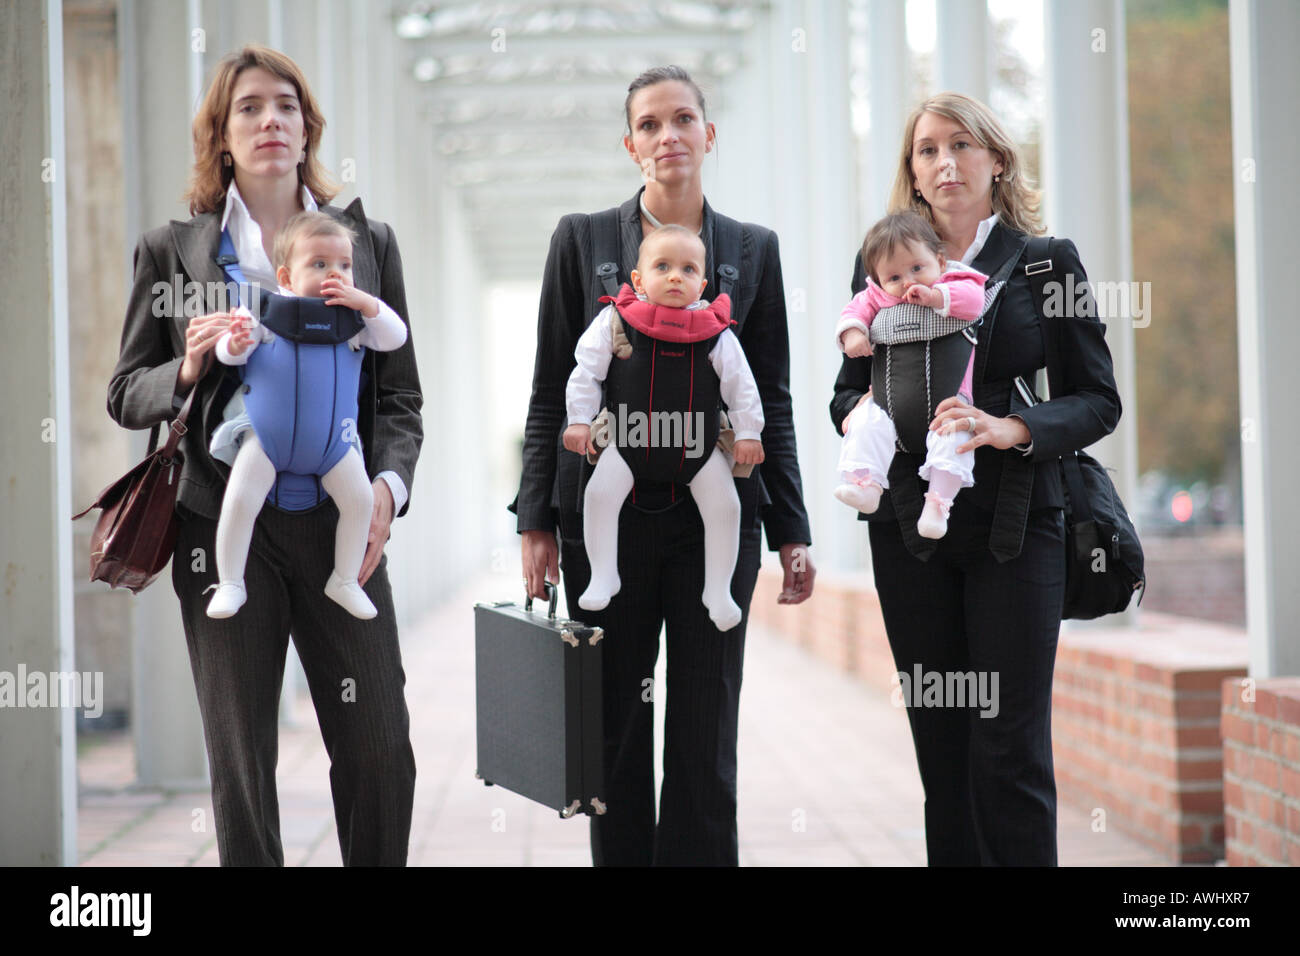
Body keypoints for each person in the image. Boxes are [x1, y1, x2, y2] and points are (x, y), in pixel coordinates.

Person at [107, 45, 422, 866]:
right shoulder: (172, 252)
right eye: (248, 107)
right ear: (222, 134)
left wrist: (387, 488)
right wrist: (187, 363)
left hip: (341, 525)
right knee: (241, 763)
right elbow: (125, 391)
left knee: (381, 747)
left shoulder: (368, 241)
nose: (269, 119)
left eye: (285, 104)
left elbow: (398, 396)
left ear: (306, 126)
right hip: (222, 519)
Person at [512, 65, 815, 866]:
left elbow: (771, 397)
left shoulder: (753, 250)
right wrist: (535, 519)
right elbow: (550, 387)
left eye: (683, 119)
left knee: (707, 721)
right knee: (614, 720)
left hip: (715, 519)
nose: (668, 136)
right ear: (630, 144)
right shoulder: (581, 240)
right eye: (649, 124)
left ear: (708, 136)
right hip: (605, 519)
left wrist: (791, 525)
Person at [829, 92, 1120, 866]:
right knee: (942, 751)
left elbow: (1098, 398)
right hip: (909, 533)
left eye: (962, 145)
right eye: (927, 149)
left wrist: (1011, 427)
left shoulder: (1044, 262)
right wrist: (871, 411)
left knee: (1010, 750)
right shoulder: (883, 262)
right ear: (914, 173)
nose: (945, 161)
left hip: (1019, 527)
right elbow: (840, 392)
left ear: (996, 161)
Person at [207, 211, 408, 620]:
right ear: (286, 276)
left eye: (345, 265)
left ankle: (345, 578)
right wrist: (235, 339)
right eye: (319, 264)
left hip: (333, 445)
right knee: (241, 497)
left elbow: (396, 337)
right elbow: (231, 354)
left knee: (360, 500)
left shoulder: (354, 323)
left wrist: (368, 304)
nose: (335, 273)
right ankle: (230, 581)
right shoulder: (267, 313)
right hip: (267, 439)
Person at [563, 224, 765, 630]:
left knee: (726, 506)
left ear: (703, 283)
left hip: (697, 450)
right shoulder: (615, 322)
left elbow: (742, 384)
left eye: (689, 269)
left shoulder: (715, 333)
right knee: (600, 495)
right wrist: (579, 420)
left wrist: (748, 432)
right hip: (629, 444)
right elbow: (586, 371)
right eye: (663, 266)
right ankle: (603, 574)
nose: (676, 276)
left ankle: (718, 590)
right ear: (638, 279)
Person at [832, 211, 988, 539]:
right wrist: (854, 335)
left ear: (940, 262)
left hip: (950, 402)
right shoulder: (877, 297)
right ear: (878, 281)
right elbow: (854, 311)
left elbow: (975, 301)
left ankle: (938, 503)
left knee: (953, 439)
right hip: (890, 402)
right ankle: (866, 485)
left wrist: (935, 297)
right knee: (866, 422)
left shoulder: (956, 281)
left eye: (917, 268)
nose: (908, 282)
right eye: (894, 277)